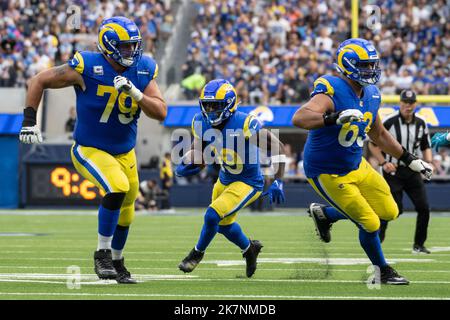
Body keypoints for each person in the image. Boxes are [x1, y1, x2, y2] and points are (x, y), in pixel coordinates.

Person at [19, 16, 167, 284]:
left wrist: (137, 94)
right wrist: (29, 121)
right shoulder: (87, 65)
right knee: (117, 187)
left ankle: (118, 262)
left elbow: (161, 112)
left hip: (125, 152)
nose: (132, 52)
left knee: (128, 207)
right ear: (109, 46)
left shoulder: (143, 68)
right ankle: (102, 254)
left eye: (134, 46)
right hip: (90, 148)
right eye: (124, 47)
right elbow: (38, 80)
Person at [292, 38, 433, 285]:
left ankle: (326, 215)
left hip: (357, 165)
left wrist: (410, 159)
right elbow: (300, 118)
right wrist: (333, 118)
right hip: (327, 172)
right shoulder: (331, 88)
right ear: (347, 65)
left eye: (373, 65)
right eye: (365, 65)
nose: (371, 70)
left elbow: (378, 134)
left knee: (390, 211)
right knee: (370, 222)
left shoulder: (371, 93)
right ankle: (382, 270)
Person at [175, 79, 286, 277]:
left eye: (215, 106)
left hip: (248, 181)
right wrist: (186, 162)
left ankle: (196, 254)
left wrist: (278, 179)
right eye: (206, 105)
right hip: (224, 178)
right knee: (223, 226)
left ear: (229, 104)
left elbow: (277, 146)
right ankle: (249, 249)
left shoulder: (243, 123)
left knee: (212, 216)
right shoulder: (200, 121)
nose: (210, 110)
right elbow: (198, 150)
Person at [368, 89, 433, 253]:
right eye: (405, 102)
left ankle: (419, 245)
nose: (408, 106)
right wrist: (383, 163)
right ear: (400, 103)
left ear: (415, 104)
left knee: (424, 208)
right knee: (394, 210)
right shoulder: (389, 121)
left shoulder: (421, 122)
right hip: (393, 171)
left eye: (411, 103)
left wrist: (428, 163)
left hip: (412, 172)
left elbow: (426, 146)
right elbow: (372, 144)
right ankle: (377, 241)